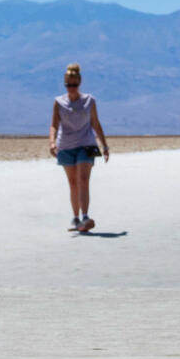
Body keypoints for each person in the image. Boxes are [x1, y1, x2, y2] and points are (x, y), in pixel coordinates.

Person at [48, 63, 109, 232]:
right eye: (68, 85)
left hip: (86, 144)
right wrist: (52, 142)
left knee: (83, 179)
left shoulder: (89, 101)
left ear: (79, 83)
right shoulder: (58, 102)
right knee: (73, 183)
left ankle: (85, 216)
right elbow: (54, 124)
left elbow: (96, 124)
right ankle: (75, 219)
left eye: (74, 85)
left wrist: (104, 145)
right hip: (66, 146)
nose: (71, 88)